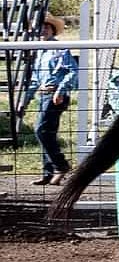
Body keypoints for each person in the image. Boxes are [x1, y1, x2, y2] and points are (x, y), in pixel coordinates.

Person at [25, 14, 78, 186]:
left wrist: (61, 90)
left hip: (55, 94)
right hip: (43, 94)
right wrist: (25, 99)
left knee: (41, 130)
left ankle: (60, 165)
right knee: (47, 133)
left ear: (53, 30)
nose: (42, 30)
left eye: (46, 27)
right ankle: (49, 172)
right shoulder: (39, 51)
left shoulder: (59, 49)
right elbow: (35, 78)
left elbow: (73, 71)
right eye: (40, 27)